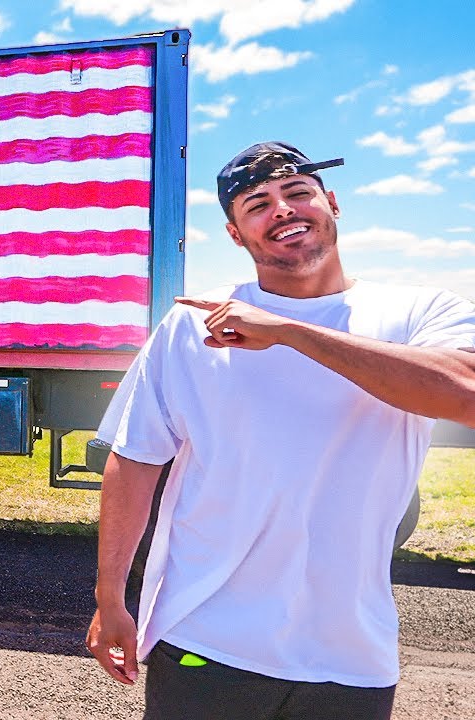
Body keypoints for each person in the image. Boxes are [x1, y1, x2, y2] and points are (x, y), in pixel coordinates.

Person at [84, 141, 475, 719]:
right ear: (236, 235)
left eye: (297, 193)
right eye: (257, 204)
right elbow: (135, 458)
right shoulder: (193, 324)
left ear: (331, 202)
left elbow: (464, 393)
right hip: (204, 640)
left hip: (351, 657)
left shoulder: (419, 312)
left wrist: (290, 332)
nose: (283, 210)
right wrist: (109, 595)